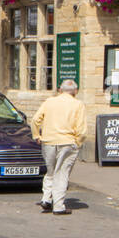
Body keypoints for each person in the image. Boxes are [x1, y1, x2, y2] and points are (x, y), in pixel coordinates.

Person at [32, 79, 87, 216]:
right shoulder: (78, 104)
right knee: (62, 173)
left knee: (51, 171)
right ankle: (58, 206)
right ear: (75, 91)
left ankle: (46, 198)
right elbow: (82, 129)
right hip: (67, 142)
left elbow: (35, 120)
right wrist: (78, 143)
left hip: (49, 141)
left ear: (60, 90)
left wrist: (36, 135)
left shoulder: (49, 101)